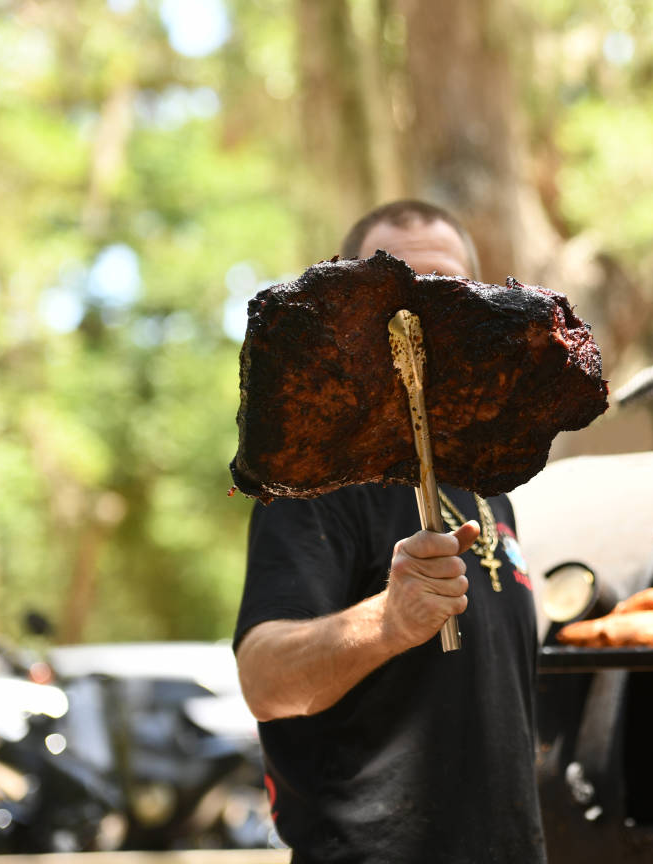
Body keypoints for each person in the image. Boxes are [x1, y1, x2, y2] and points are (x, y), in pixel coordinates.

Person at [233, 200, 546, 863]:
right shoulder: (317, 477)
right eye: (399, 297)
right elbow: (263, 679)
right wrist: (389, 621)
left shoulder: (486, 475)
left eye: (446, 292)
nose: (423, 318)